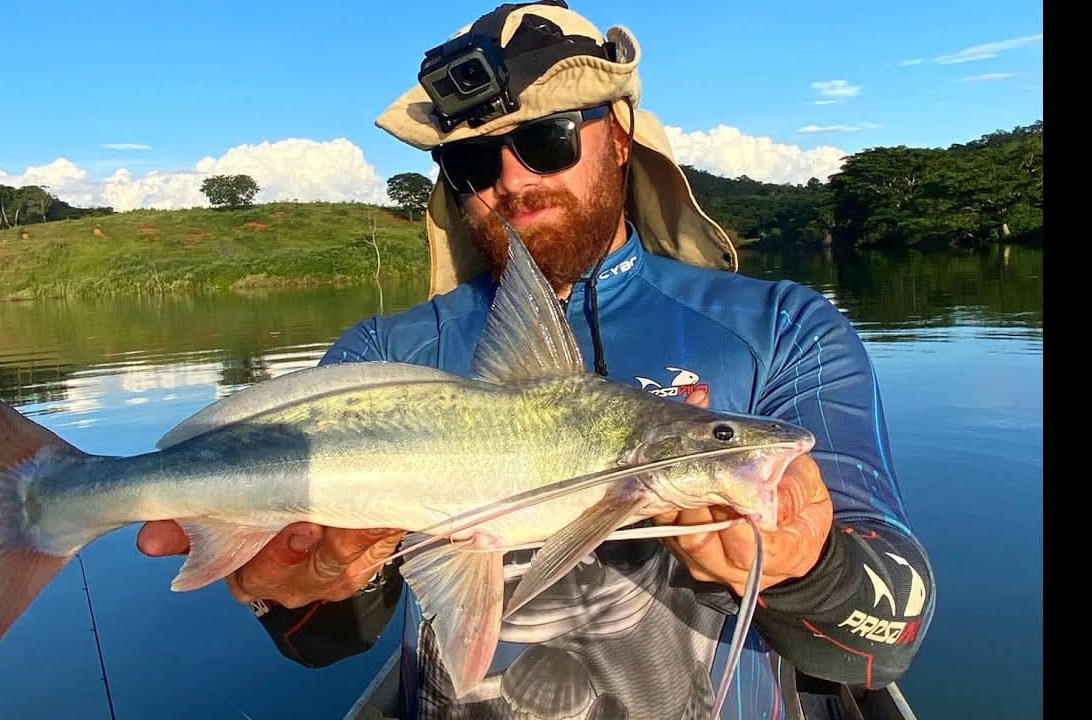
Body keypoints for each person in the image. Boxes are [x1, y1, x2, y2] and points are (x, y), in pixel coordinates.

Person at [137, 2, 935, 717]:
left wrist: (809, 563)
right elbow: (317, 641)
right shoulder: (383, 356)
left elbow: (887, 640)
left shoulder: (782, 329)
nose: (511, 180)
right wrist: (311, 584)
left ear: (619, 139)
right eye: (475, 163)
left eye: (545, 141)